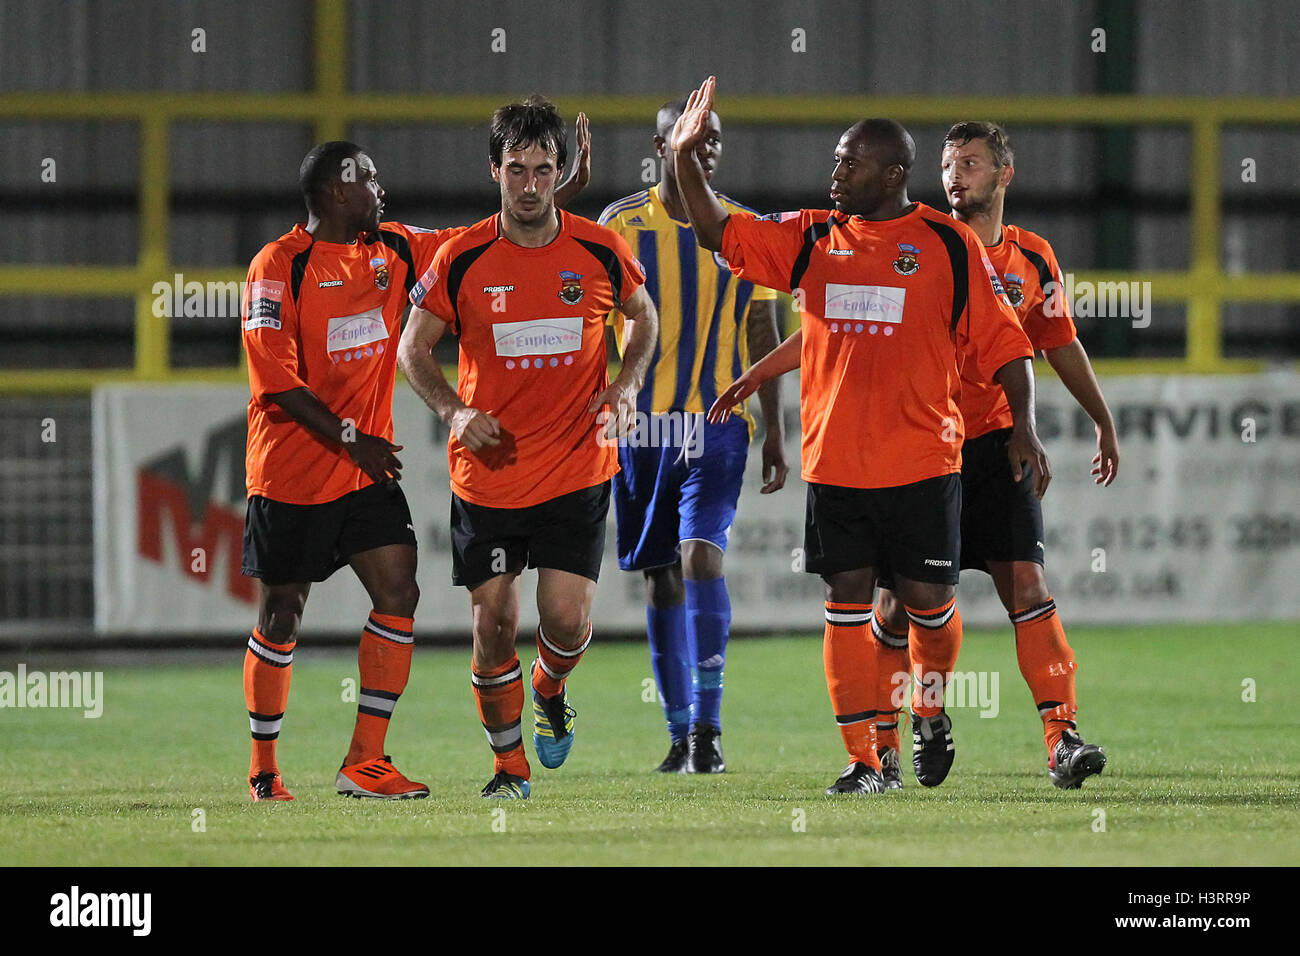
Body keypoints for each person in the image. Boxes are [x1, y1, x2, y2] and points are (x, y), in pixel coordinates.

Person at [683, 77, 1048, 795]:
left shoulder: (946, 245)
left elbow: (1008, 346)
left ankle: (931, 710)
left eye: (850, 164)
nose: (835, 173)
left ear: (891, 174)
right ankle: (863, 759)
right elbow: (716, 230)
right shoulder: (812, 235)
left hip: (923, 464)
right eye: (836, 162)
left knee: (929, 615)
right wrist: (684, 158)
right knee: (847, 605)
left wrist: (1024, 428)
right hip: (837, 466)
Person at [240, 129, 590, 803]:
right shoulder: (276, 265)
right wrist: (348, 434)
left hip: (365, 473)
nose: (381, 191)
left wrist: (548, 197)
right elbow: (273, 380)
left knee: (399, 592)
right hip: (291, 472)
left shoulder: (395, 246)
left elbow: (475, 242)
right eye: (369, 180)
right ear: (338, 188)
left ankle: (365, 760)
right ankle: (265, 769)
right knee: (282, 614)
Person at [398, 96, 658, 799]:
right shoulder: (462, 256)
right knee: (495, 623)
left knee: (567, 620)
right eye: (518, 169)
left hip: (578, 462)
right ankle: (507, 768)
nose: (532, 184)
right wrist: (454, 411)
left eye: (545, 169)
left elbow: (644, 318)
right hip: (489, 475)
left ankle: (548, 689)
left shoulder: (601, 249)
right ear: (495, 171)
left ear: (559, 172)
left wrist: (627, 385)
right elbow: (411, 348)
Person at [872, 122, 1118, 789]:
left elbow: (1058, 343)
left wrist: (1102, 419)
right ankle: (906, 731)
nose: (956, 176)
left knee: (1030, 591)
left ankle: (1062, 739)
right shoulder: (916, 240)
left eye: (972, 163)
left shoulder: (1031, 258)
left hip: (1001, 446)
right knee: (899, 609)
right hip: (924, 449)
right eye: (950, 164)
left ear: (1005, 175)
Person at [598, 98, 787, 774]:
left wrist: (775, 429)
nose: (706, 148)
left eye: (715, 139)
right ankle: (678, 734)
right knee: (660, 576)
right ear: (662, 142)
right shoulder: (619, 225)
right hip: (643, 429)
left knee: (702, 558)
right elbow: (594, 324)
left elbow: (766, 331)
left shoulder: (744, 228)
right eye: (692, 136)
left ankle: (709, 730)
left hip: (717, 425)